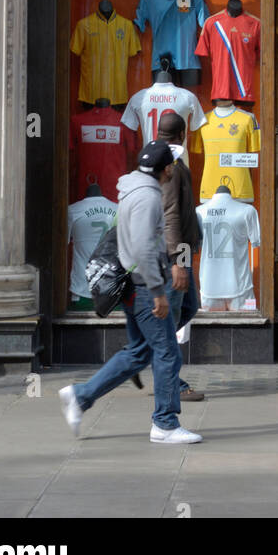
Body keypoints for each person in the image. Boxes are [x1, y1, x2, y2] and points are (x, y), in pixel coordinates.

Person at [59, 140, 203, 445]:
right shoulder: (149, 198)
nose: (172, 170)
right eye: (171, 165)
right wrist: (158, 292)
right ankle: (165, 423)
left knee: (139, 353)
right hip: (143, 287)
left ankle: (81, 396)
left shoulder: (131, 189)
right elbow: (142, 246)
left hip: (134, 285)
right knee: (167, 353)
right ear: (165, 169)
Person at [156, 108, 204, 402]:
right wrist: (178, 262)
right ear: (182, 134)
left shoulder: (169, 160)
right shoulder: (171, 164)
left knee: (190, 307)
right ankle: (172, 382)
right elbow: (171, 214)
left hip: (180, 252)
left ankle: (140, 355)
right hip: (174, 255)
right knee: (171, 318)